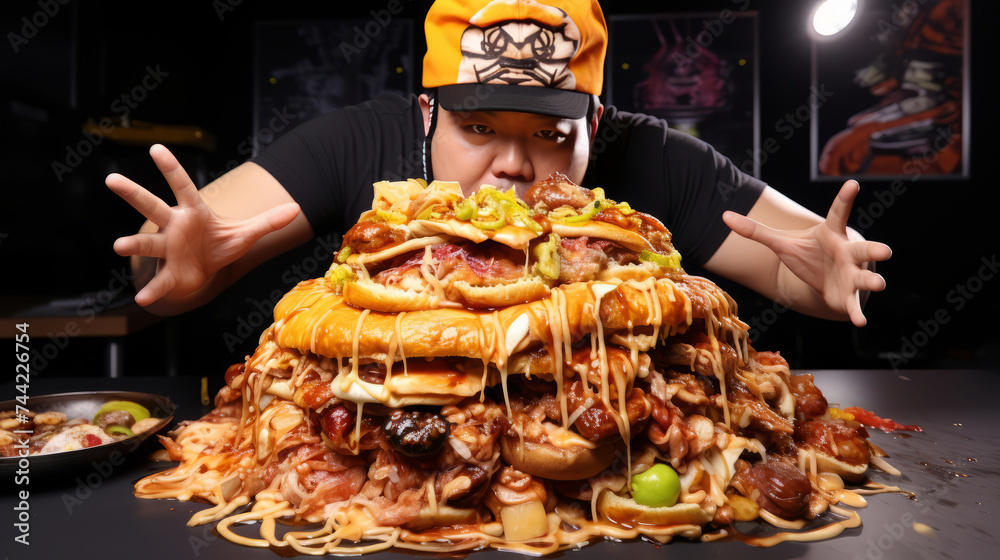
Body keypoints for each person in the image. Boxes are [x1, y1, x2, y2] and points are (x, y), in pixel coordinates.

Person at [105, 0, 890, 328]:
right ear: (426, 113)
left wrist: (830, 274)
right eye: (478, 127)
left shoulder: (653, 157)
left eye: (550, 134)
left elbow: (803, 264)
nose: (513, 164)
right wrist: (180, 267)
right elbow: (169, 268)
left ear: (596, 123)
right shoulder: (352, 143)